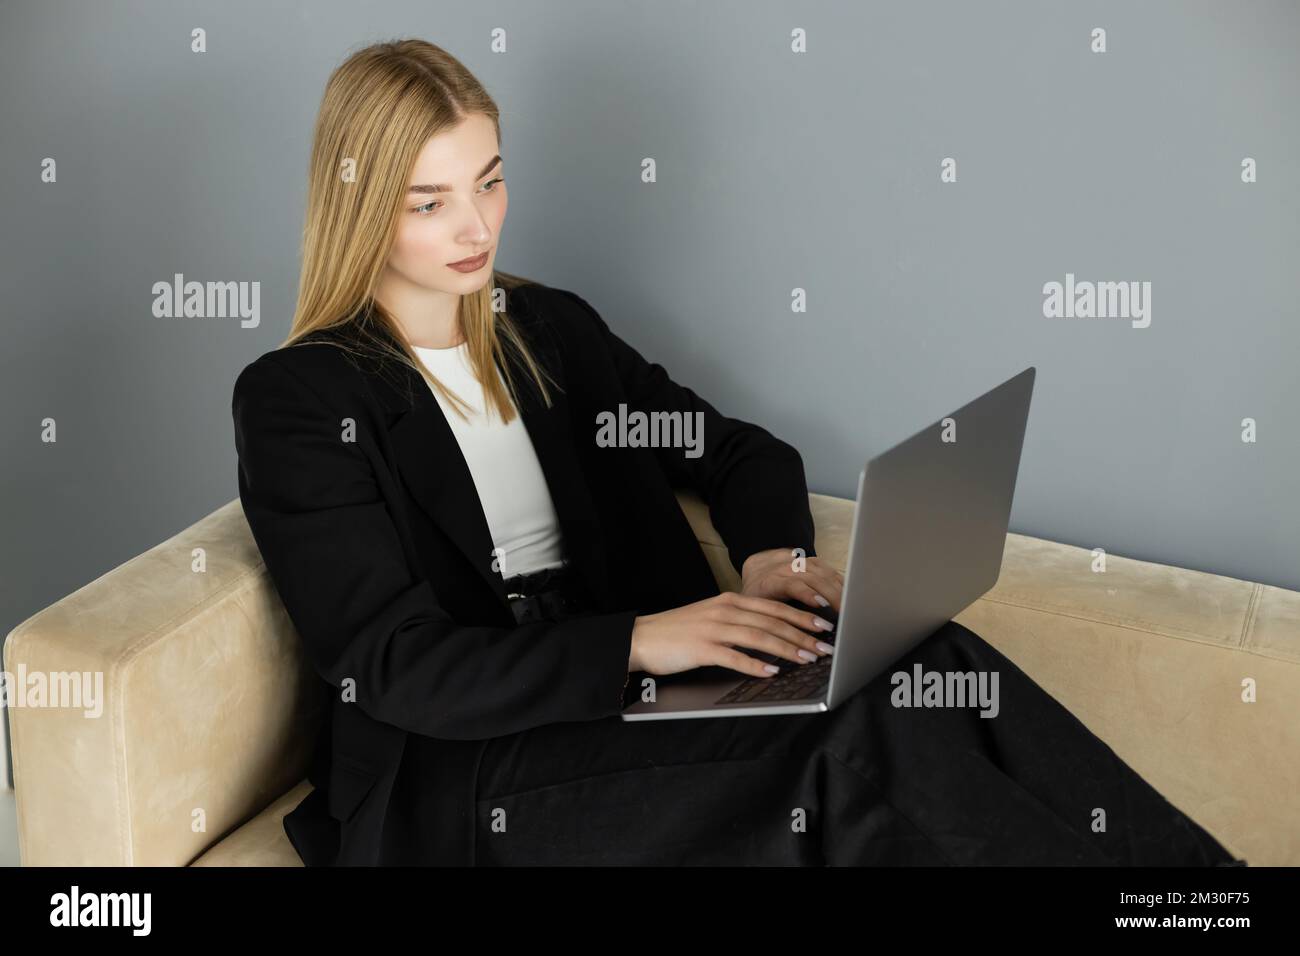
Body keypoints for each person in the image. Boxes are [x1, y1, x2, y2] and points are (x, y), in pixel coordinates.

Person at [231, 38, 1242, 867]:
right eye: (430, 201)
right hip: (463, 775)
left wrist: (772, 559)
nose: (476, 225)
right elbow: (393, 668)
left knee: (931, 660)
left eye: (489, 182)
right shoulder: (300, 400)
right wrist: (645, 638)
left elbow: (740, 453)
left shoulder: (549, 330)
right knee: (847, 743)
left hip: (635, 703)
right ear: (362, 203)